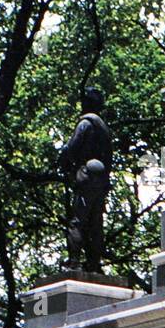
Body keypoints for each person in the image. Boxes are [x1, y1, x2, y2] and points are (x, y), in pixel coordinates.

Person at [57, 86, 112, 271]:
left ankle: (74, 263)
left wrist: (64, 159)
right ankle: (94, 263)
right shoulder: (105, 129)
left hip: (86, 174)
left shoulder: (85, 123)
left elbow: (72, 147)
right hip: (101, 178)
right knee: (96, 223)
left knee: (78, 221)